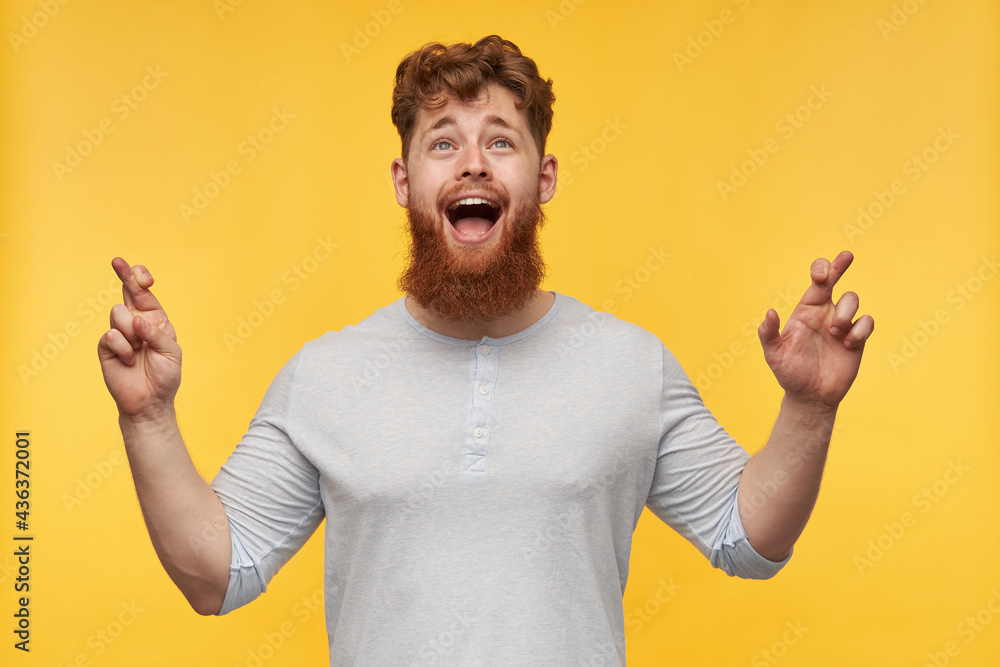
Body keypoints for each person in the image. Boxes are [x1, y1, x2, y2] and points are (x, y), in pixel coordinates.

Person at [98, 35, 874, 665]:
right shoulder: (327, 375)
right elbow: (215, 573)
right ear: (406, 182)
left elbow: (749, 537)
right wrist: (149, 419)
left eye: (500, 141)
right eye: (444, 143)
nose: (473, 161)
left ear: (545, 178)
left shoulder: (630, 365)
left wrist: (808, 408)